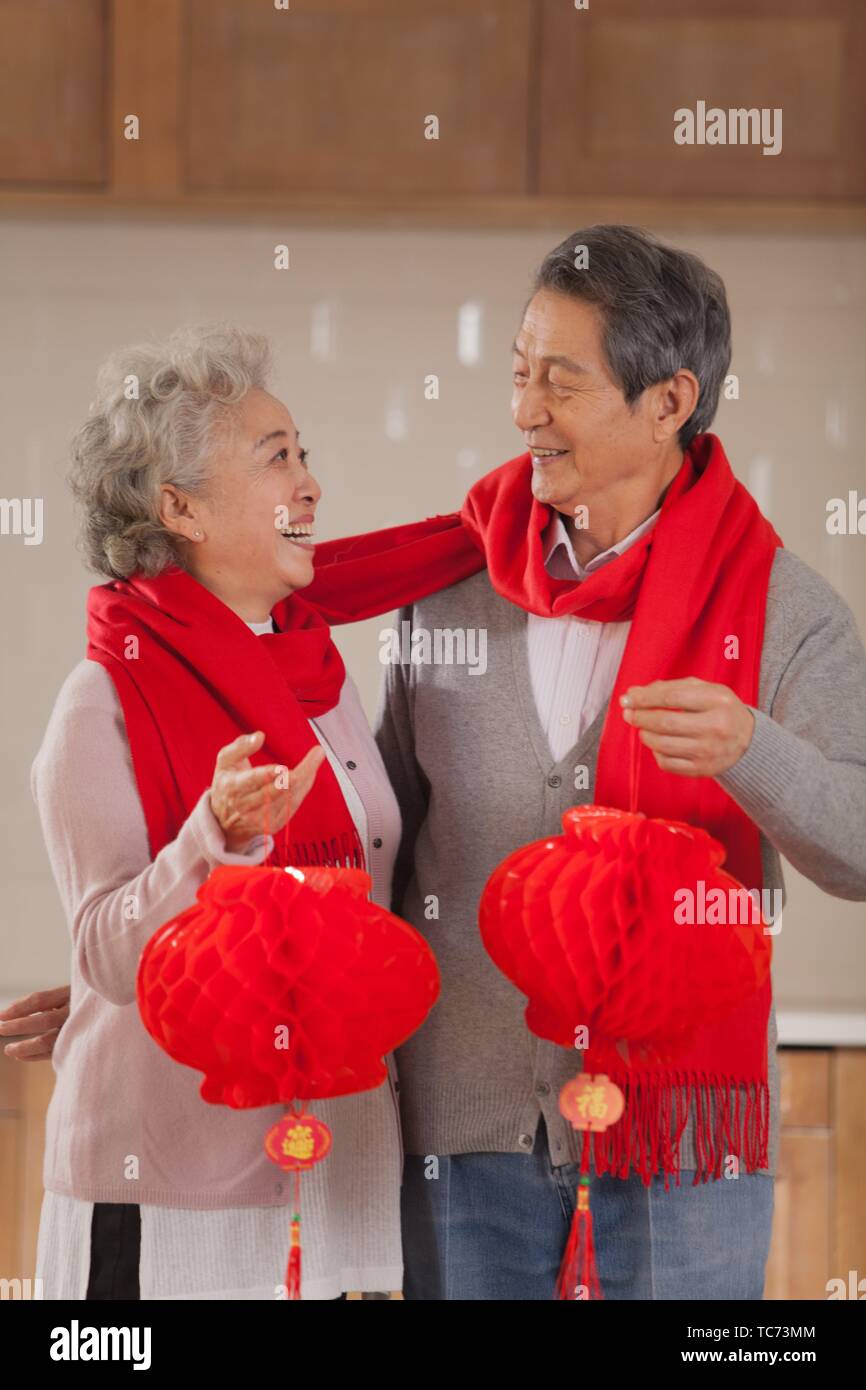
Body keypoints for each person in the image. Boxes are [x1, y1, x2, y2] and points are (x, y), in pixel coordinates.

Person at [10, 227, 866, 1301]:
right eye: (518, 374)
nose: (522, 412)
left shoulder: (781, 611)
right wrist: (150, 974)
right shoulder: (457, 592)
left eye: (558, 381)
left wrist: (754, 753)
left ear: (667, 401)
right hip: (458, 1136)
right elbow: (380, 852)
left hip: (680, 1143)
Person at [13, 325, 410, 1300]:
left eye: (303, 454)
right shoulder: (103, 697)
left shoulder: (324, 683)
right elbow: (112, 949)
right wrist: (213, 838)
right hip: (165, 1192)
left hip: (327, 1173)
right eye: (276, 459)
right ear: (178, 506)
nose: (310, 485)